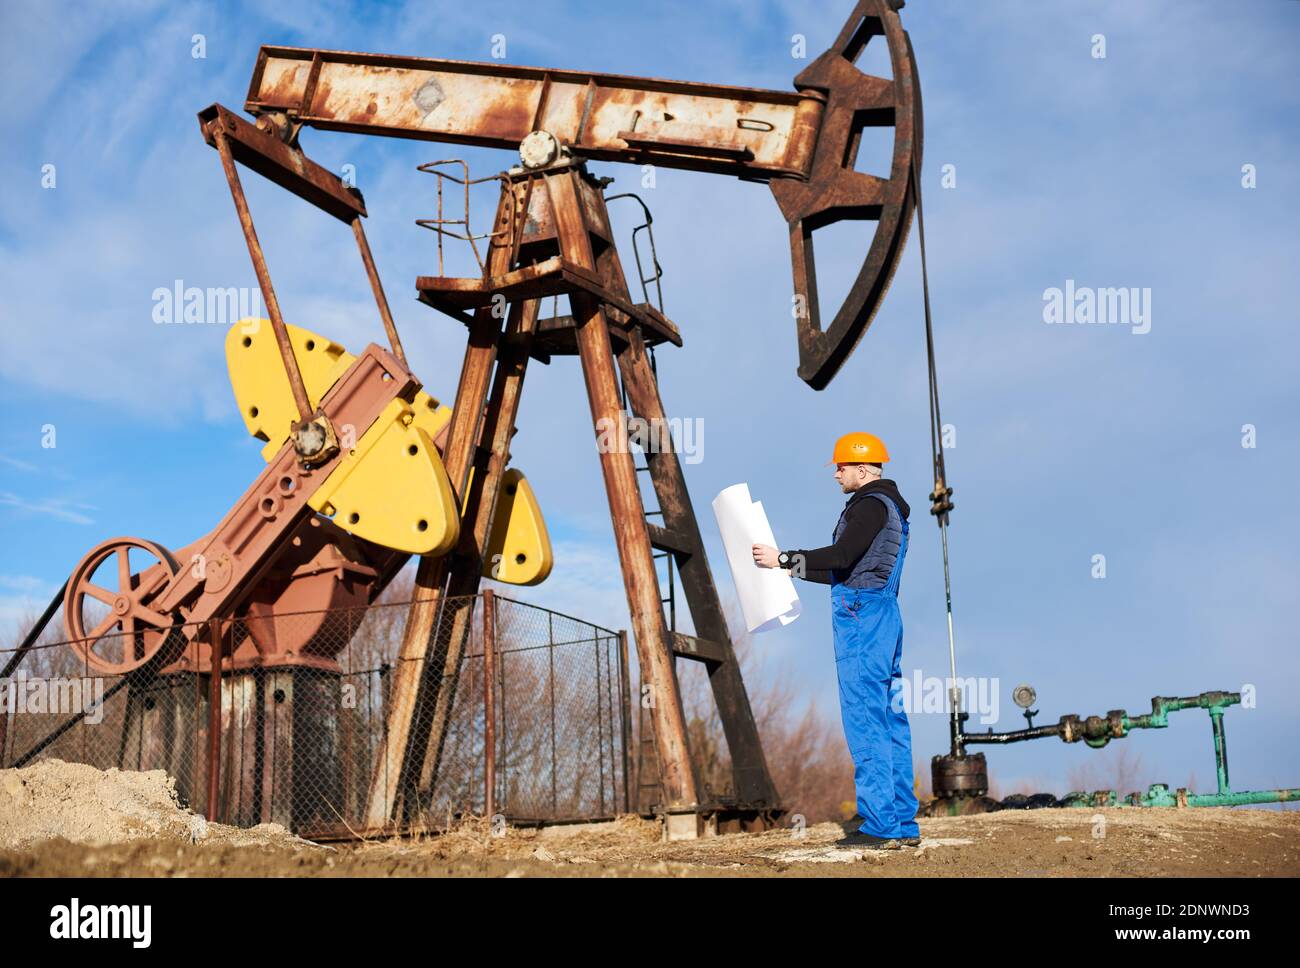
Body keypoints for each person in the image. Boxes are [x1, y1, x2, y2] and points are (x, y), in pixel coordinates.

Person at [752, 432, 921, 850]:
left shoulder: (867, 506)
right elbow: (844, 568)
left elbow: (841, 557)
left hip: (860, 616)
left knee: (865, 718)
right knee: (890, 718)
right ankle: (901, 823)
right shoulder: (893, 508)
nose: (836, 474)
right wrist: (788, 570)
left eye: (841, 467)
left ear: (863, 469)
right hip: (884, 614)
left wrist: (783, 557)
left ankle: (881, 826)